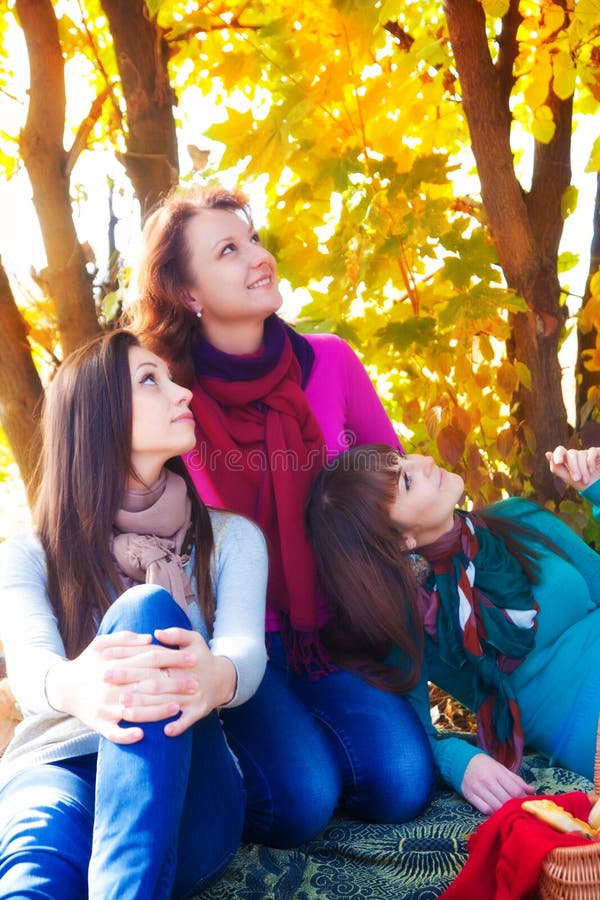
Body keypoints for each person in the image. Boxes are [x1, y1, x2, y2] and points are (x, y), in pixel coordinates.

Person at [124, 185, 435, 848]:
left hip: (333, 631)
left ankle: (312, 742)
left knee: (403, 783)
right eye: (228, 250)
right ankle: (253, 764)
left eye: (252, 240)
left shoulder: (331, 361)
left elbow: (388, 482)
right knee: (300, 804)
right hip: (230, 642)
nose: (257, 258)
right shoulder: (171, 394)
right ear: (189, 293)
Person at [0, 329, 268, 898]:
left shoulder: (231, 539)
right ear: (96, 416)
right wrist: (79, 688)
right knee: (34, 873)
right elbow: (29, 670)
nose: (183, 394)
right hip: (60, 764)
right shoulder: (29, 555)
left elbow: (245, 649)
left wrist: (216, 677)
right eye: (151, 381)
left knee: (149, 609)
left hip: (185, 778)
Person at [305, 442, 600, 816]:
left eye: (405, 459)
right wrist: (460, 763)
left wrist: (596, 489)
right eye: (407, 480)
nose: (426, 461)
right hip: (587, 723)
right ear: (400, 540)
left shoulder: (519, 518)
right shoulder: (415, 618)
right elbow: (412, 733)